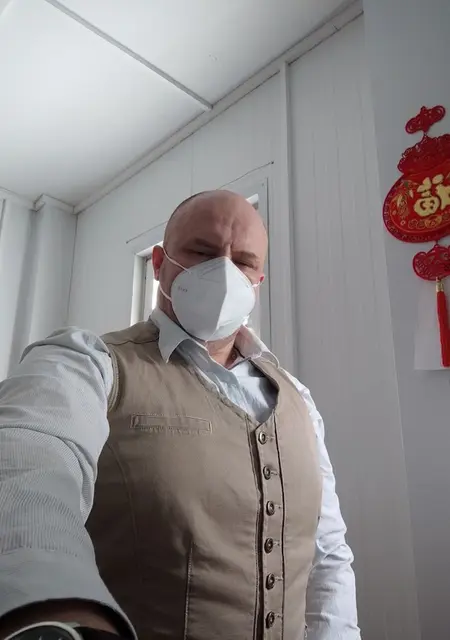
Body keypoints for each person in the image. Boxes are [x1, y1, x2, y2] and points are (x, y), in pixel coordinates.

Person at [0, 190, 360, 640]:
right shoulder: (89, 362)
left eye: (243, 261)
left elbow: (327, 553)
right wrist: (54, 608)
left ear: (258, 280)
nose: (223, 272)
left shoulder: (299, 399)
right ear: (159, 263)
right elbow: (29, 459)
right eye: (202, 252)